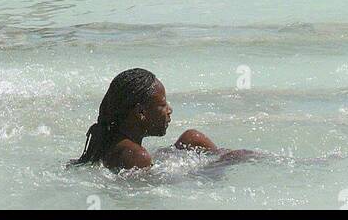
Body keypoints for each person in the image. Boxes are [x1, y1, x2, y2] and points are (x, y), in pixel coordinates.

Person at [70, 69, 238, 171]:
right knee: (196, 139)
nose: (169, 110)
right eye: (163, 104)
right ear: (141, 112)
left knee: (191, 138)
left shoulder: (110, 142)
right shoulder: (137, 156)